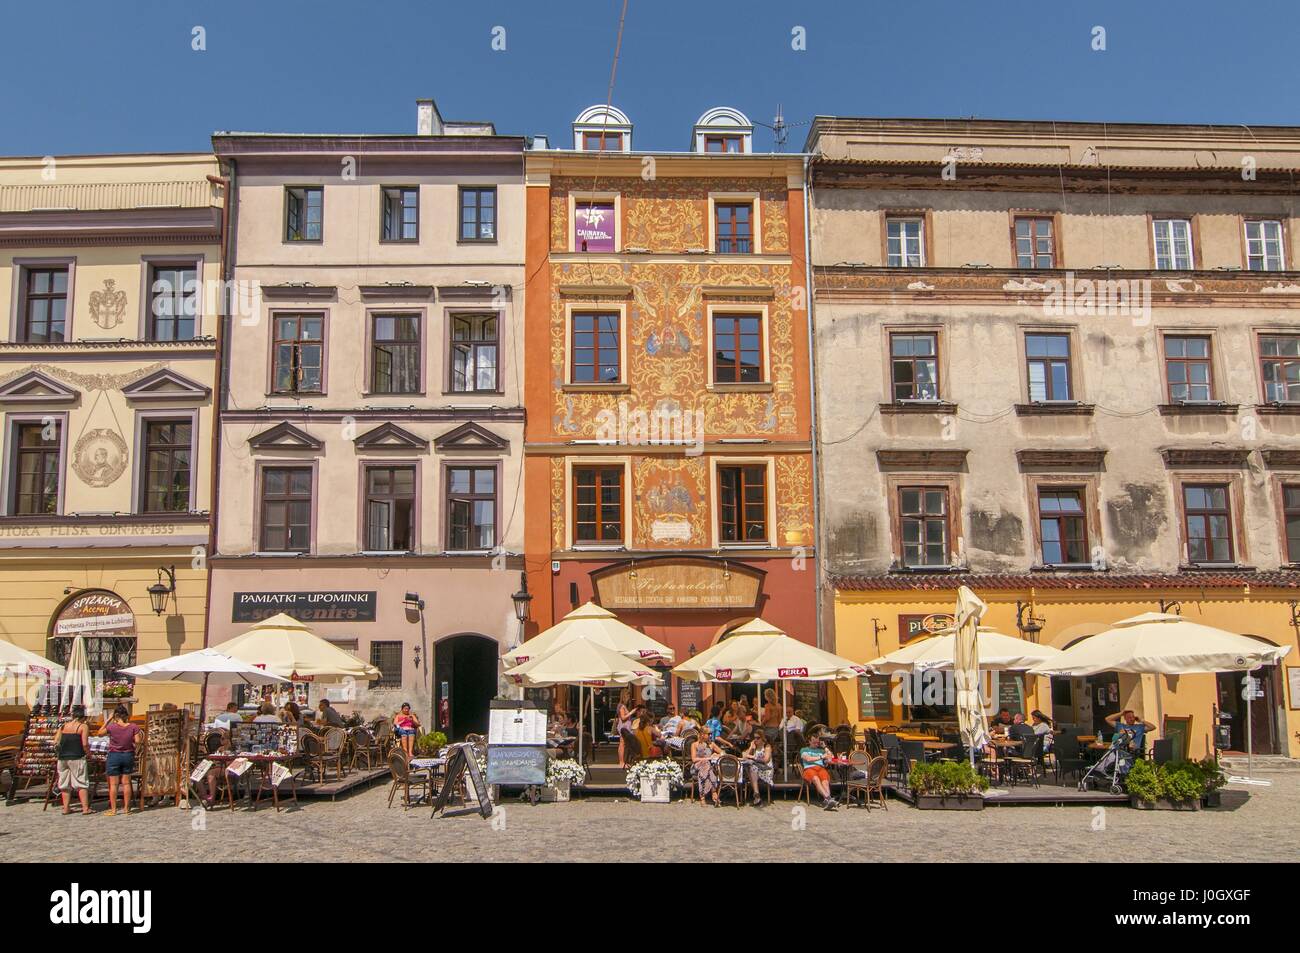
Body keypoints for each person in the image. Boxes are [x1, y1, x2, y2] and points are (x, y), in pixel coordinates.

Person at [97, 704, 142, 815]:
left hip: (114, 756)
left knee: (113, 785)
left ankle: (113, 810)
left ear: (116, 716)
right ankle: (127, 809)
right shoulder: (133, 727)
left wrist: (108, 720)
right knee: (126, 783)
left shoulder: (112, 727)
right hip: (128, 755)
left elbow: (99, 733)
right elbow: (137, 741)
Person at [56, 705, 93, 816]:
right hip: (77, 756)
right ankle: (85, 808)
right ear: (83, 716)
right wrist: (89, 754)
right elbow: (85, 743)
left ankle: (66, 808)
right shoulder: (82, 726)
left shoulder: (63, 726)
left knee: (64, 783)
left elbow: (56, 741)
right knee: (81, 782)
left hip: (62, 758)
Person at [799, 732, 838, 810]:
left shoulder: (821, 750)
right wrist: (821, 756)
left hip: (821, 768)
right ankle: (828, 798)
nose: (816, 744)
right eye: (814, 742)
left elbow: (831, 758)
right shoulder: (804, 750)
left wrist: (825, 747)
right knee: (816, 779)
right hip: (809, 768)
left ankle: (827, 800)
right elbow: (808, 759)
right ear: (809, 741)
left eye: (817, 742)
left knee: (825, 781)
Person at [690, 731, 726, 806]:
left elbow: (723, 753)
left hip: (707, 768)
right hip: (697, 765)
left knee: (707, 769)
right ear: (702, 734)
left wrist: (717, 754)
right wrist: (708, 758)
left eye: (711, 734)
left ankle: (702, 797)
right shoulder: (694, 745)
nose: (710, 735)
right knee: (706, 766)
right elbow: (694, 759)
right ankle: (714, 792)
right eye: (708, 734)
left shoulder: (711, 744)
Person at [743, 733, 774, 805]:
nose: (755, 740)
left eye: (758, 738)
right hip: (756, 769)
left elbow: (766, 760)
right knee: (750, 768)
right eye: (754, 738)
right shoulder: (755, 747)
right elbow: (744, 756)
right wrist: (751, 747)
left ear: (763, 738)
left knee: (752, 769)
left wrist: (754, 758)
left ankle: (756, 794)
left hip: (766, 769)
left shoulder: (767, 747)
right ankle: (756, 795)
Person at [616, 687, 636, 768]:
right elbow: (623, 717)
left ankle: (624, 761)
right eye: (628, 696)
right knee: (622, 744)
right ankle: (621, 762)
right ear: (624, 696)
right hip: (624, 727)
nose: (629, 698)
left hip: (626, 727)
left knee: (625, 744)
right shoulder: (621, 706)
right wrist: (631, 712)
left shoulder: (623, 706)